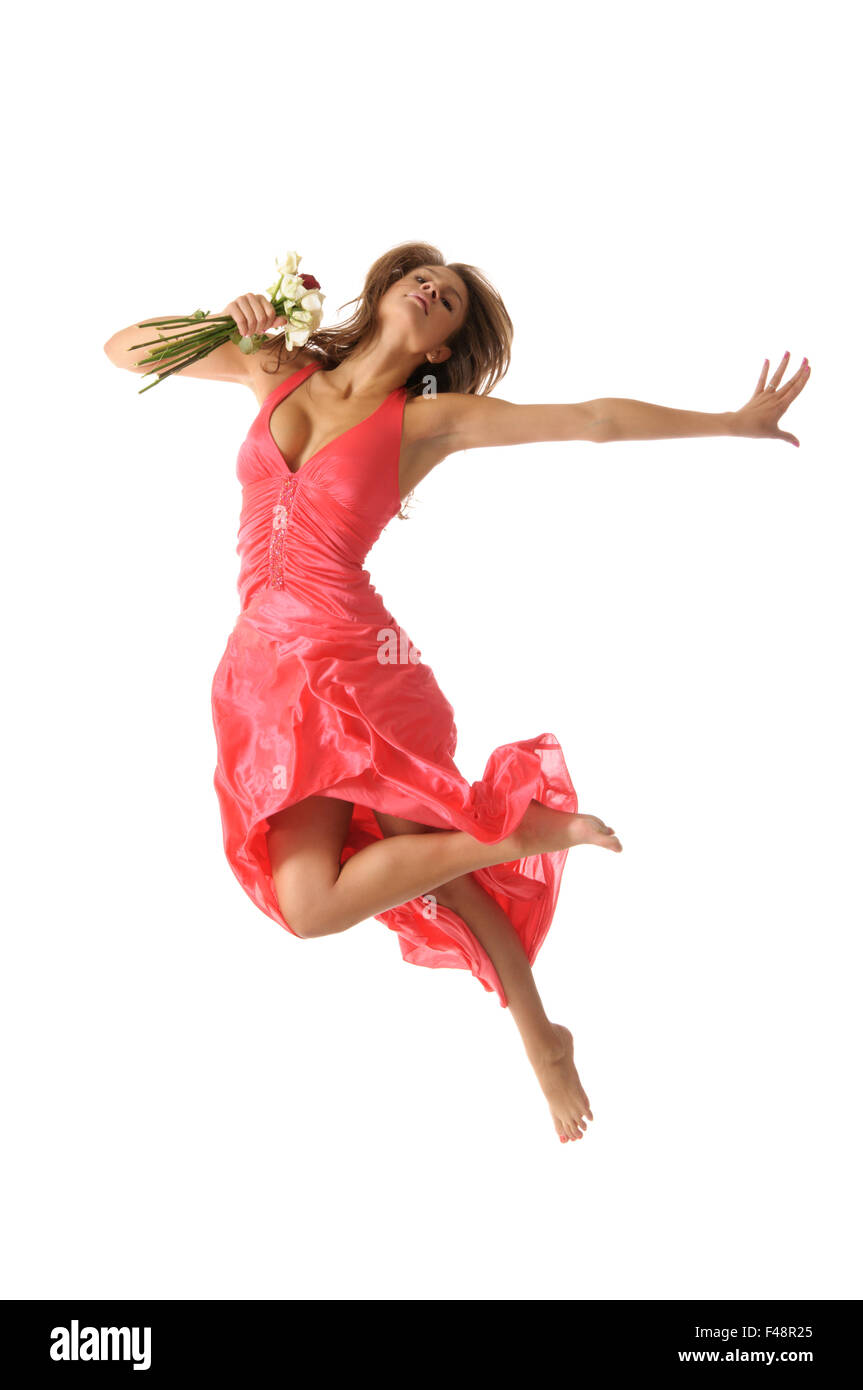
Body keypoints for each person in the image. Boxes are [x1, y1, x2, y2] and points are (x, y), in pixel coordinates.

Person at [104, 240, 809, 1145]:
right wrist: (231, 320)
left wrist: (730, 422)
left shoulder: (428, 422)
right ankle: (540, 1003)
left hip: (362, 661)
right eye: (419, 278)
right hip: (263, 671)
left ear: (441, 348)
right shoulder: (273, 364)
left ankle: (537, 1016)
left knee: (426, 850)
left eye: (449, 304)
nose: (432, 290)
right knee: (316, 904)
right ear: (386, 286)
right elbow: (122, 349)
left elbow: (592, 420)